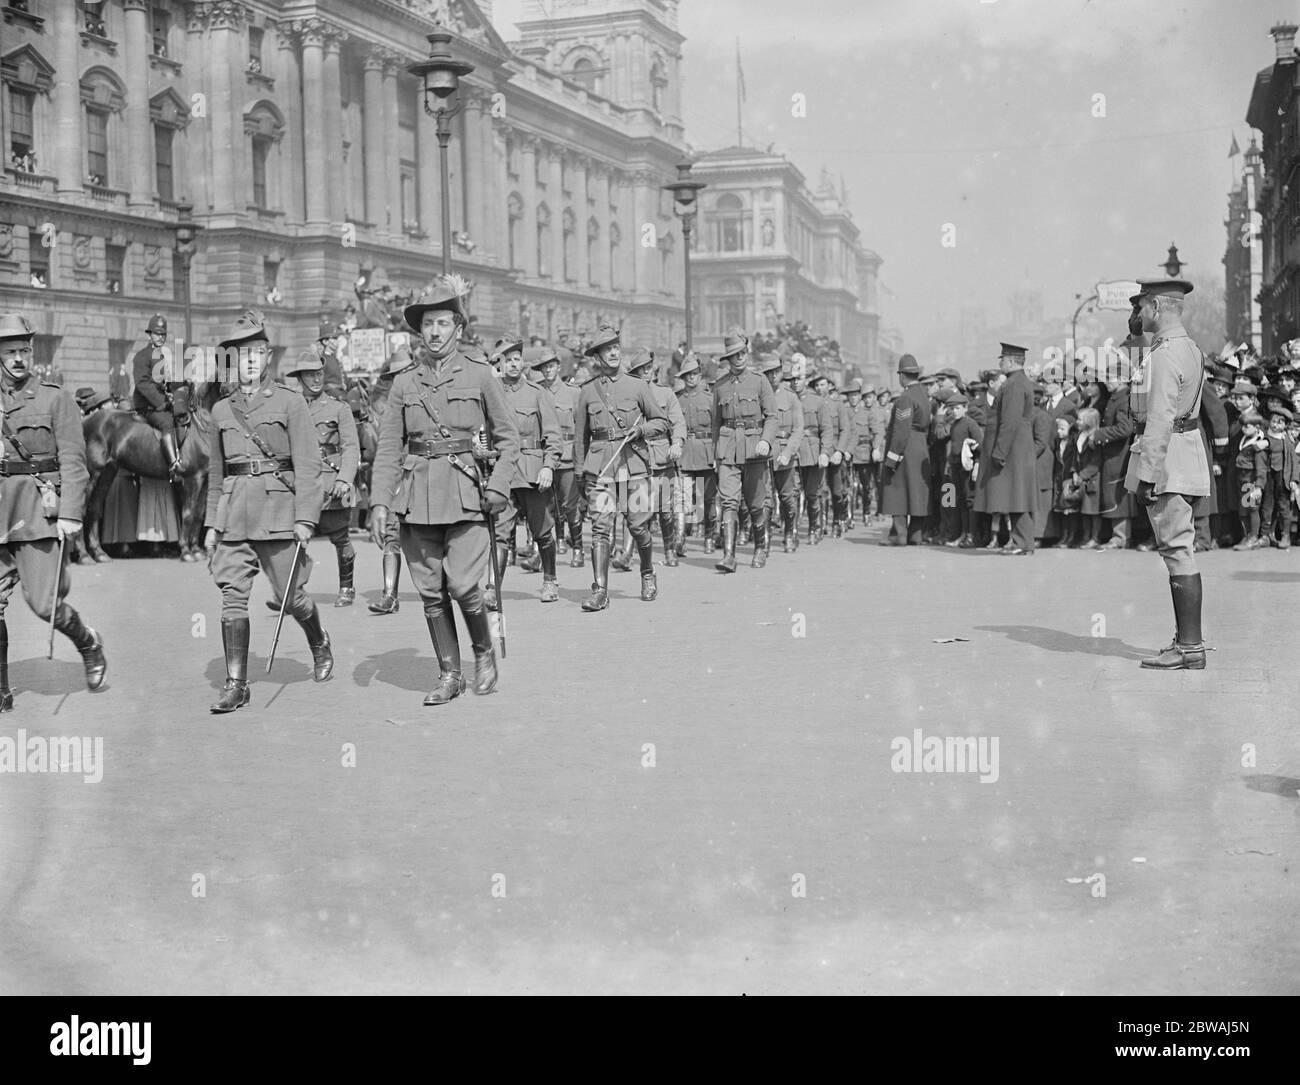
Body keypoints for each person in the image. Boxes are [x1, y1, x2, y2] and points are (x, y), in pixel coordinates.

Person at [369, 279, 520, 704]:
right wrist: (380, 502)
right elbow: (388, 449)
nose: (434, 332)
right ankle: (450, 675)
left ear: (458, 326)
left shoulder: (480, 375)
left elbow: (509, 440)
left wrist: (499, 485)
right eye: (428, 325)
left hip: (468, 496)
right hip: (417, 500)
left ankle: (483, 651)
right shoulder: (404, 384)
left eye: (442, 323)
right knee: (431, 591)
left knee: (463, 585)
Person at [204, 310, 331, 714]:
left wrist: (306, 518)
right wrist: (210, 524)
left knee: (291, 596)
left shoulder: (291, 402)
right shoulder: (221, 412)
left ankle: (318, 640)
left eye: (258, 352)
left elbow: (309, 466)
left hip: (278, 510)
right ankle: (236, 684)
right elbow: (214, 474)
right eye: (243, 354)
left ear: (267, 357)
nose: (252, 360)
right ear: (232, 361)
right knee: (232, 595)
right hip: (234, 512)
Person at [0, 313, 107, 713]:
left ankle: (87, 640)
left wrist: (72, 512)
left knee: (45, 605)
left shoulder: (54, 397)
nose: (18, 359)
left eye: (23, 350)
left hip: (37, 510)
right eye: (9, 352)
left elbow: (75, 461)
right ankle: (2, 690)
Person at [1124, 278, 1210, 670]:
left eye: (1142, 307)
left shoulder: (1163, 355)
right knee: (1182, 548)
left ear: (1157, 308)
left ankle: (1190, 647)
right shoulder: (1191, 349)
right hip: (1188, 455)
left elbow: (1159, 418)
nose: (1139, 315)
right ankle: (1187, 641)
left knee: (1177, 550)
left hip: (1168, 461)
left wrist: (1147, 474)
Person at [573, 322, 668, 610]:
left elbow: (661, 422)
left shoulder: (638, 386)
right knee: (601, 529)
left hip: (633, 467)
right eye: (606, 349)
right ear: (597, 356)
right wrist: (580, 472)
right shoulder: (587, 392)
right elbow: (580, 437)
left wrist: (640, 432)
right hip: (601, 468)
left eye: (615, 347)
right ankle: (600, 590)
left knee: (638, 526)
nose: (613, 353)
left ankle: (648, 573)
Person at [268, 348, 361, 609]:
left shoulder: (338, 408)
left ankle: (346, 587)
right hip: (299, 484)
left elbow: (351, 446)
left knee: (340, 537)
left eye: (319, 373)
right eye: (310, 375)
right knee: (292, 539)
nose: (316, 379)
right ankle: (291, 593)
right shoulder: (289, 407)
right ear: (300, 377)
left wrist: (345, 479)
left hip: (331, 483)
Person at [487, 335, 562, 604]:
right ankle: (493, 589)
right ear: (500, 364)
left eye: (517, 359)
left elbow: (553, 437)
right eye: (507, 360)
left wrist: (548, 467)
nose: (513, 364)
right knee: (500, 533)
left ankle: (550, 581)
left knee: (542, 530)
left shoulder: (537, 393)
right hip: (502, 473)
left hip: (532, 472)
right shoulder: (490, 393)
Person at [711, 330, 779, 572]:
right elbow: (716, 423)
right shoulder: (720, 386)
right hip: (728, 450)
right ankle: (729, 556)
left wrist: (766, 440)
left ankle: (760, 547)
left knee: (755, 504)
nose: (739, 358)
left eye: (742, 353)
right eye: (734, 355)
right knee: (729, 502)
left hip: (754, 450)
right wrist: (715, 455)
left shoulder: (760, 381)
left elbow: (772, 417)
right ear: (728, 359)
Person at [975, 343, 1037, 555]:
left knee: (1016, 495)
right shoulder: (1018, 382)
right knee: (1016, 496)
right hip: (1017, 446)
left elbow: (1009, 421)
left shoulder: (1013, 385)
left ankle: (1021, 542)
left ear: (1011, 361)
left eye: (1002, 359)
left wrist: (1000, 451)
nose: (1000, 362)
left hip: (1012, 449)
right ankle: (1022, 541)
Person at [367, 347, 415, 615]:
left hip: (427, 478)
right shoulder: (388, 409)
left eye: (405, 372)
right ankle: (389, 595)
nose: (402, 378)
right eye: (397, 374)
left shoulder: (427, 398)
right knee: (391, 537)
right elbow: (384, 451)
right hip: (399, 479)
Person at [627, 346, 685, 568]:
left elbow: (678, 422)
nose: (647, 372)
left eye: (649, 368)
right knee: (636, 509)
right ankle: (630, 554)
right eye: (642, 369)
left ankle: (670, 550)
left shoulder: (665, 393)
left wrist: (677, 442)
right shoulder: (629, 397)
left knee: (665, 509)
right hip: (636, 459)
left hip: (662, 458)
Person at [531, 346, 584, 568]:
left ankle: (578, 549)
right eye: (544, 367)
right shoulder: (536, 391)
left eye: (551, 366)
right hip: (545, 458)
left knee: (570, 506)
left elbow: (581, 428)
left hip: (568, 456)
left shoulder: (573, 393)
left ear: (558, 367)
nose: (548, 371)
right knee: (545, 508)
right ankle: (542, 555)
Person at [879, 354, 931, 545]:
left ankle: (898, 535)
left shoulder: (905, 398)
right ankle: (915, 535)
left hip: (906, 449)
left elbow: (900, 431)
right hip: (921, 447)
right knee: (917, 492)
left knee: (897, 491)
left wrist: (892, 458)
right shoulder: (924, 396)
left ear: (901, 375)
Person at [131, 313, 184, 476]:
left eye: (163, 334)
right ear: (150, 334)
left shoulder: (160, 356)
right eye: (157, 334)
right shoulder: (141, 356)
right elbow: (142, 383)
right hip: (148, 406)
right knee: (167, 422)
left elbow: (162, 383)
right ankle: (173, 465)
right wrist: (161, 402)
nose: (161, 337)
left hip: (160, 404)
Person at [676, 353, 717, 554]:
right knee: (683, 498)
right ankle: (680, 538)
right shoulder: (677, 400)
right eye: (687, 375)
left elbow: (718, 429)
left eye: (695, 374)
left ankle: (710, 536)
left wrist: (718, 455)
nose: (691, 378)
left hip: (706, 452)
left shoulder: (710, 399)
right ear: (683, 378)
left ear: (700, 375)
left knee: (708, 498)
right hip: (684, 455)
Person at [765, 356, 805, 553]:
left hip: (783, 454)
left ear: (781, 373)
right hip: (763, 454)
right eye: (768, 373)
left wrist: (788, 453)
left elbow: (798, 430)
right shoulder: (759, 396)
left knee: (787, 497)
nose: (772, 376)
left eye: (776, 372)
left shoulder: (791, 398)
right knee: (763, 499)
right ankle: (764, 537)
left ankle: (789, 532)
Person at [792, 361, 831, 544]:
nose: (795, 383)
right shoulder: (787, 399)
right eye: (792, 379)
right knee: (791, 494)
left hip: (812, 452)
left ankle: (814, 528)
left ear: (806, 380)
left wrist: (825, 452)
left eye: (799, 379)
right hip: (791, 452)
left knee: (811, 494)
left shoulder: (817, 401)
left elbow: (827, 430)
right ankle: (791, 531)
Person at [946, 392, 982, 547]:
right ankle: (962, 534)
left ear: (965, 408)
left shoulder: (970, 424)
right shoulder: (954, 425)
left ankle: (972, 535)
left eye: (958, 408)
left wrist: (976, 465)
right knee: (959, 501)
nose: (955, 411)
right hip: (955, 467)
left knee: (969, 501)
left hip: (968, 467)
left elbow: (980, 446)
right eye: (952, 409)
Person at [1261, 403, 1296, 548]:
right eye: (1274, 421)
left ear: (1286, 425)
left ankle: (1285, 535)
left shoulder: (1287, 441)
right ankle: (1265, 534)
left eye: (1280, 422)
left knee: (1283, 506)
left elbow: (1294, 462)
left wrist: (1294, 480)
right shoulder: (1264, 436)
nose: (1275, 425)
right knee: (1267, 505)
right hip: (1269, 475)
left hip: (1282, 476)